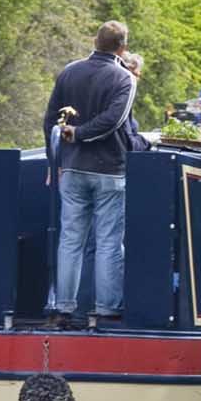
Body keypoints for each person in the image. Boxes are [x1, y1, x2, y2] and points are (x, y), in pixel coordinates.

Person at [42, 21, 137, 328]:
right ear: (122, 47)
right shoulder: (124, 77)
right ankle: (107, 308)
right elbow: (114, 120)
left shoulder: (69, 71)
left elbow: (50, 120)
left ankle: (64, 307)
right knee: (109, 240)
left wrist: (54, 161)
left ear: (95, 41)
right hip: (110, 170)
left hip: (71, 167)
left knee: (70, 240)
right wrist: (81, 133)